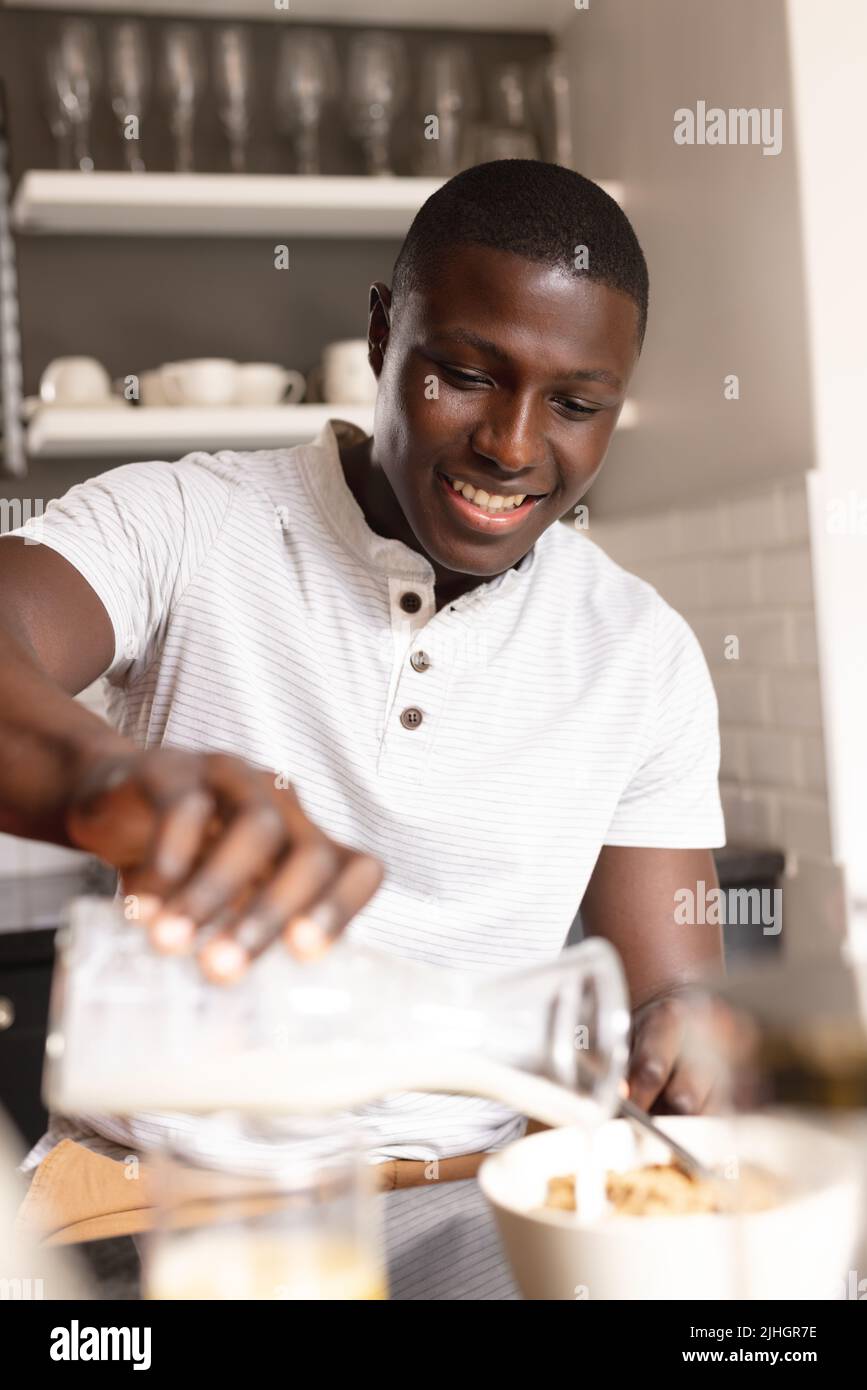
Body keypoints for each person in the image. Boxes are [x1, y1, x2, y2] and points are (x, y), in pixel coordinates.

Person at [0, 161, 725, 1294]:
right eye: (468, 375)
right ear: (386, 332)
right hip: (154, 1194)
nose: (513, 443)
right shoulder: (187, 521)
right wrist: (112, 776)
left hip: (482, 1199)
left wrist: (687, 1025)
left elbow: (669, 994)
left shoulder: (643, 649)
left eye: (577, 405)